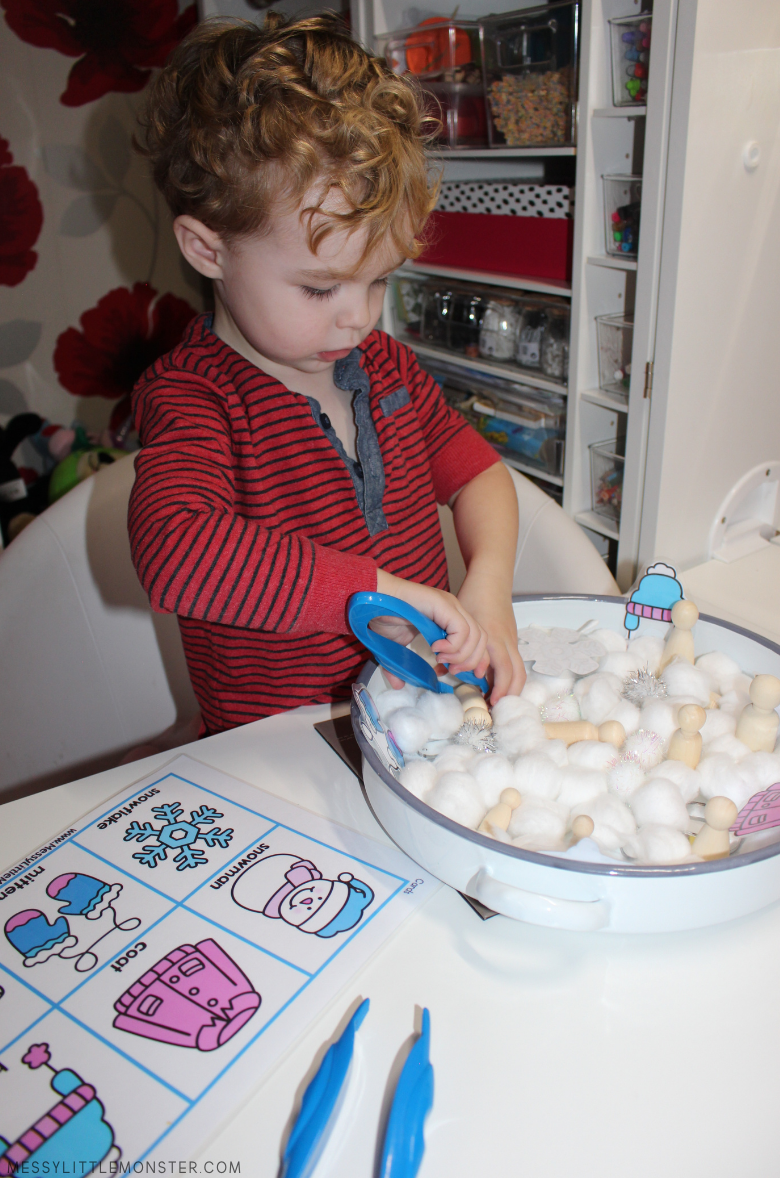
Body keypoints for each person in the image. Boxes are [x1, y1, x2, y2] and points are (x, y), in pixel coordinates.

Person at [129, 12, 526, 736]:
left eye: (378, 283)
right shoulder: (195, 399)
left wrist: (489, 588)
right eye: (320, 289)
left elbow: (478, 474)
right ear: (207, 249)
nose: (359, 320)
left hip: (415, 717)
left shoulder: (386, 368)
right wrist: (372, 589)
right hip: (278, 749)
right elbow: (176, 550)